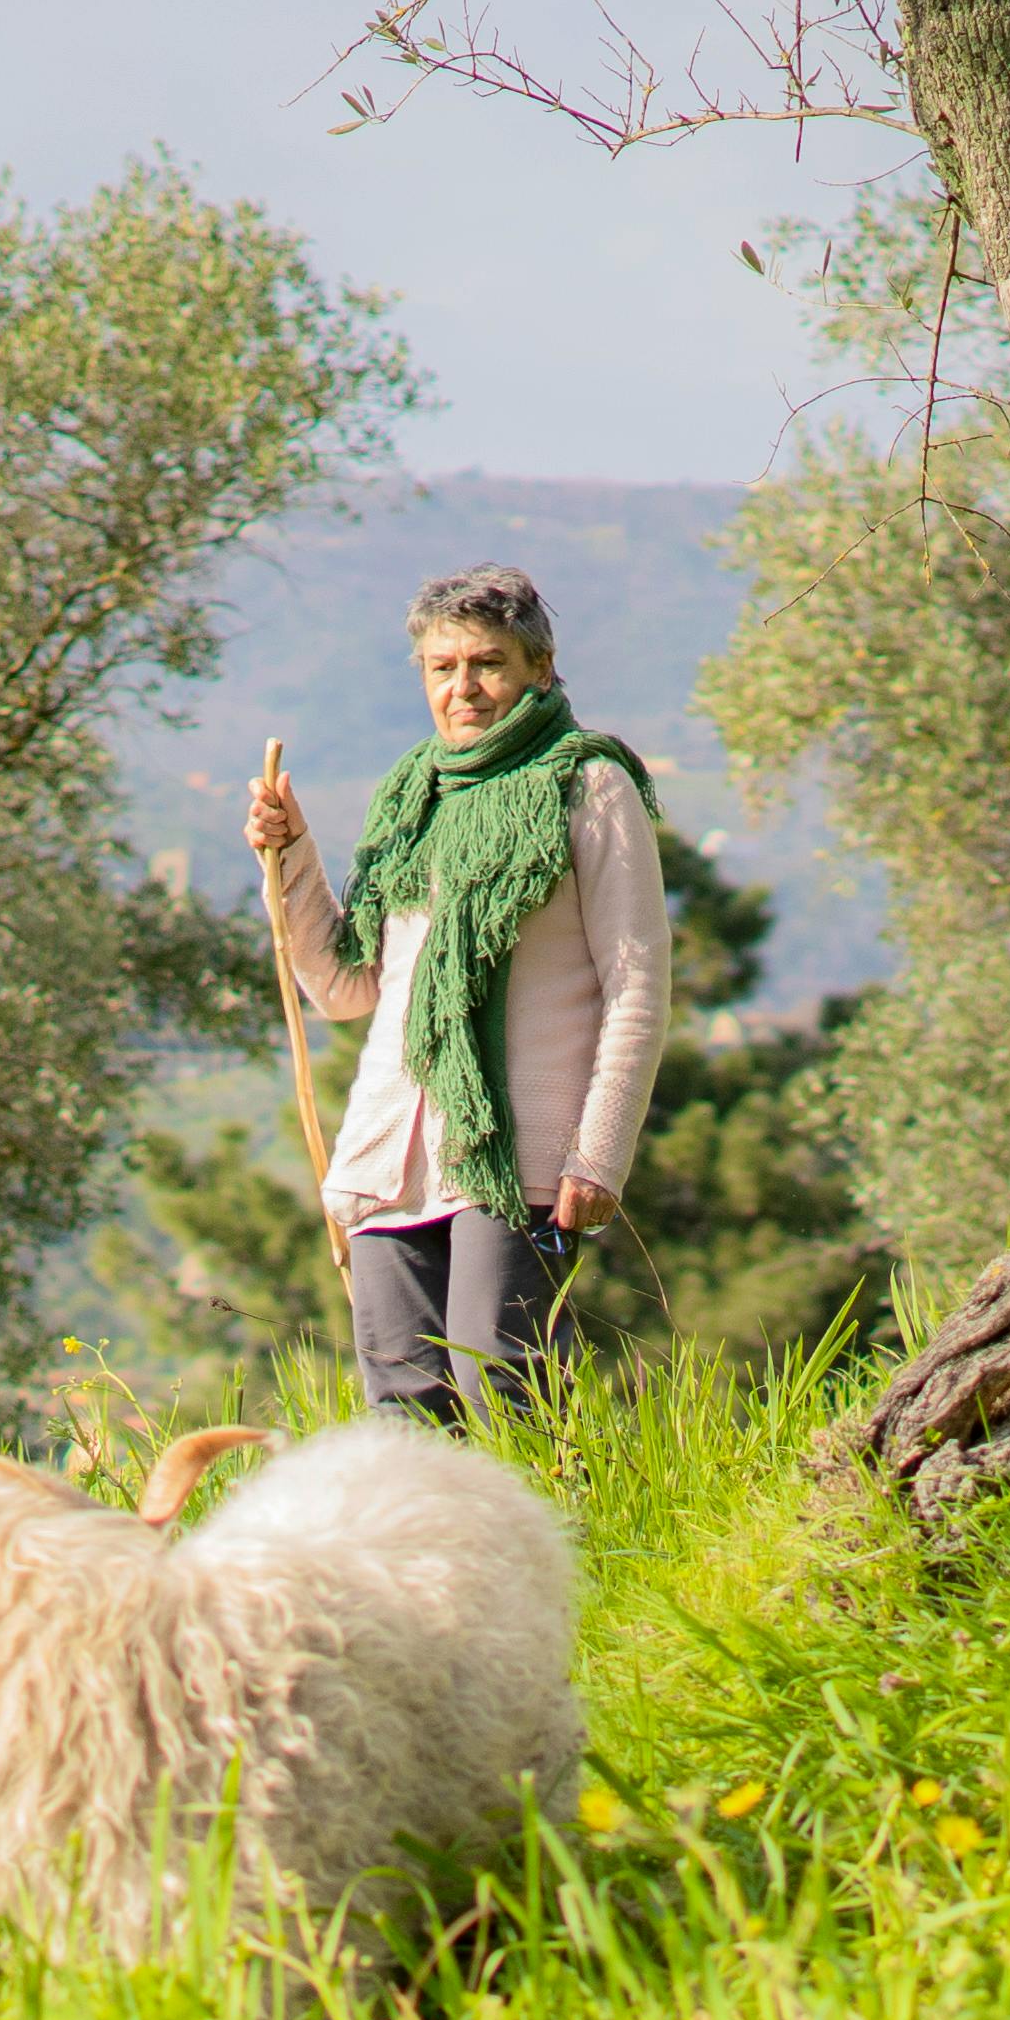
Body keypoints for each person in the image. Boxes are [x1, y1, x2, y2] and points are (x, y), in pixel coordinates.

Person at [247, 563, 671, 1424]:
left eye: (488, 663)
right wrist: (289, 855)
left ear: (538, 669)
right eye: (442, 667)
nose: (463, 687)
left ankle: (556, 1518)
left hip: (517, 1156)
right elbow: (343, 986)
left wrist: (597, 1155)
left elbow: (636, 982)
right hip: (390, 1161)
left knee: (501, 1386)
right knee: (402, 1409)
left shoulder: (586, 784)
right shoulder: (412, 798)